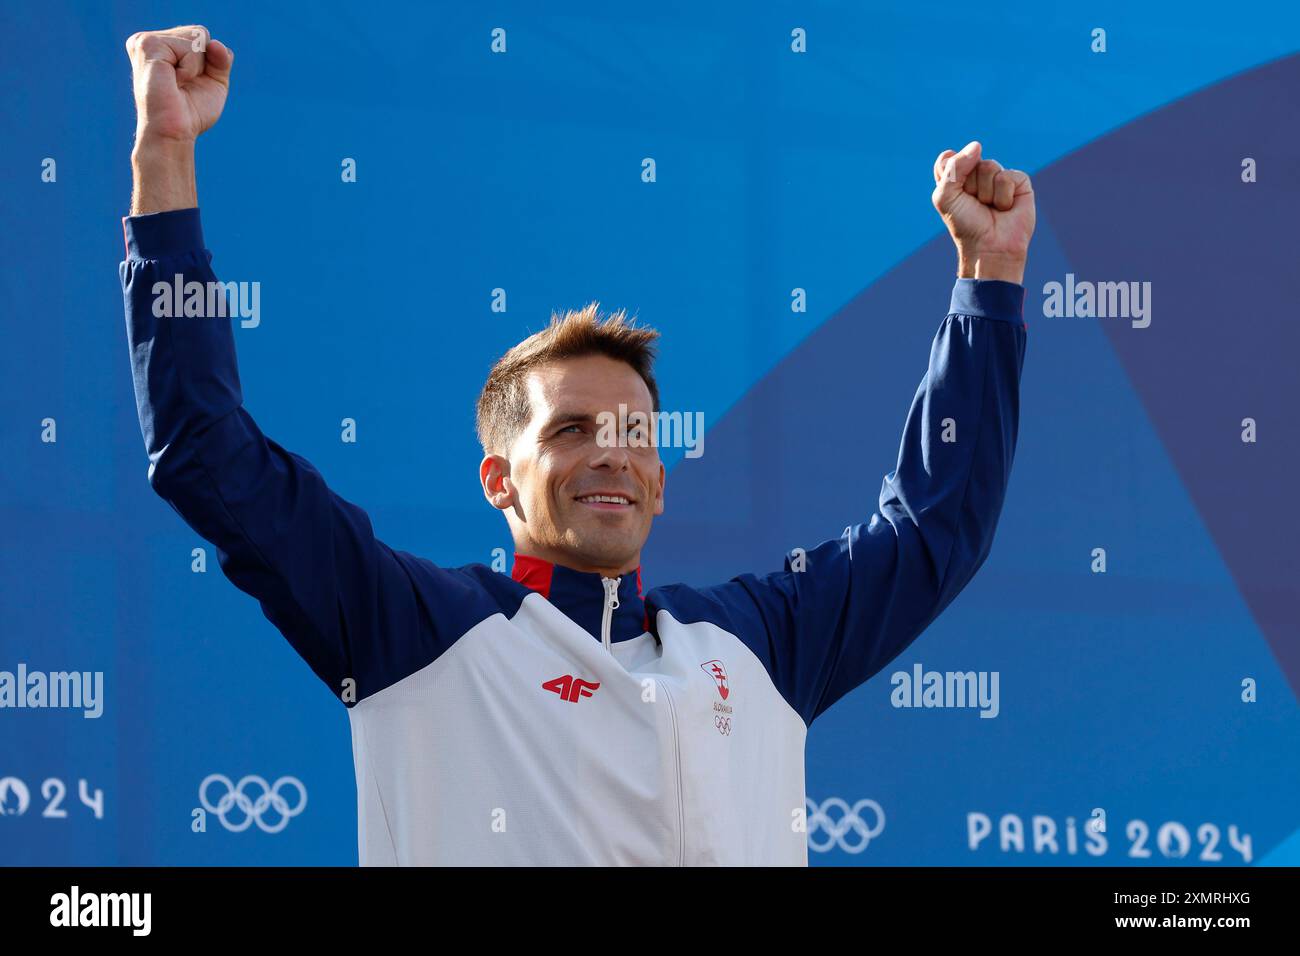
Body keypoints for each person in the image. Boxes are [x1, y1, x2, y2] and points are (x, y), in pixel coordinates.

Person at [120, 25, 1034, 865]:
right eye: (570, 431)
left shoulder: (759, 643)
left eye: (634, 432)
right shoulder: (414, 627)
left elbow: (934, 529)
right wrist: (166, 158)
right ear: (498, 481)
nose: (612, 454)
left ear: (661, 479)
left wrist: (988, 277)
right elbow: (205, 451)